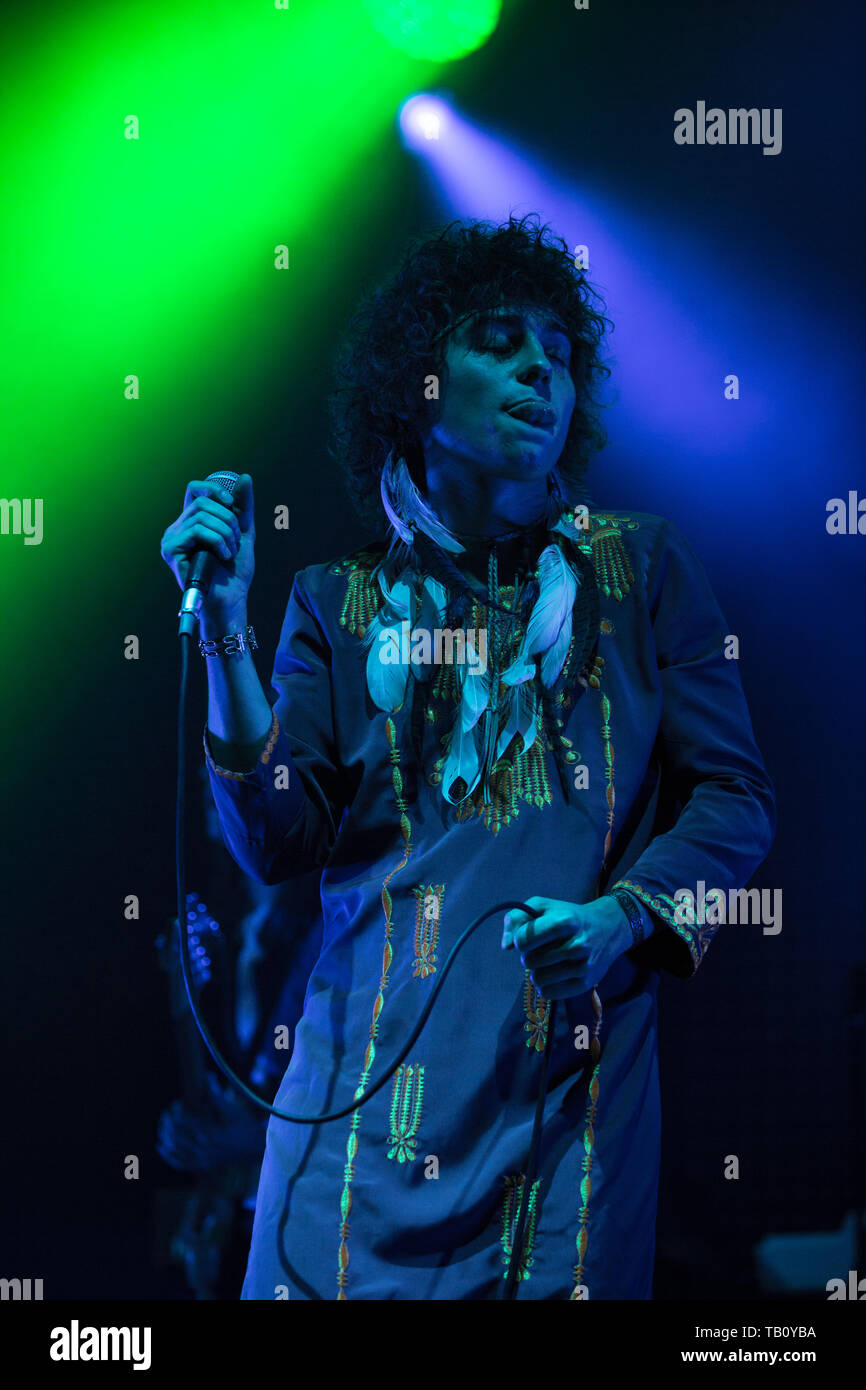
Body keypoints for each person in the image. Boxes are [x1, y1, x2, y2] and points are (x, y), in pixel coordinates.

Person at [160, 215, 777, 1300]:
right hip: (347, 1151)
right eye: (499, 340)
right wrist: (219, 621)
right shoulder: (333, 601)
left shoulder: (640, 573)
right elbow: (273, 835)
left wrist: (619, 916)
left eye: (558, 350)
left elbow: (732, 798)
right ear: (418, 385)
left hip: (562, 1137)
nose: (541, 366)